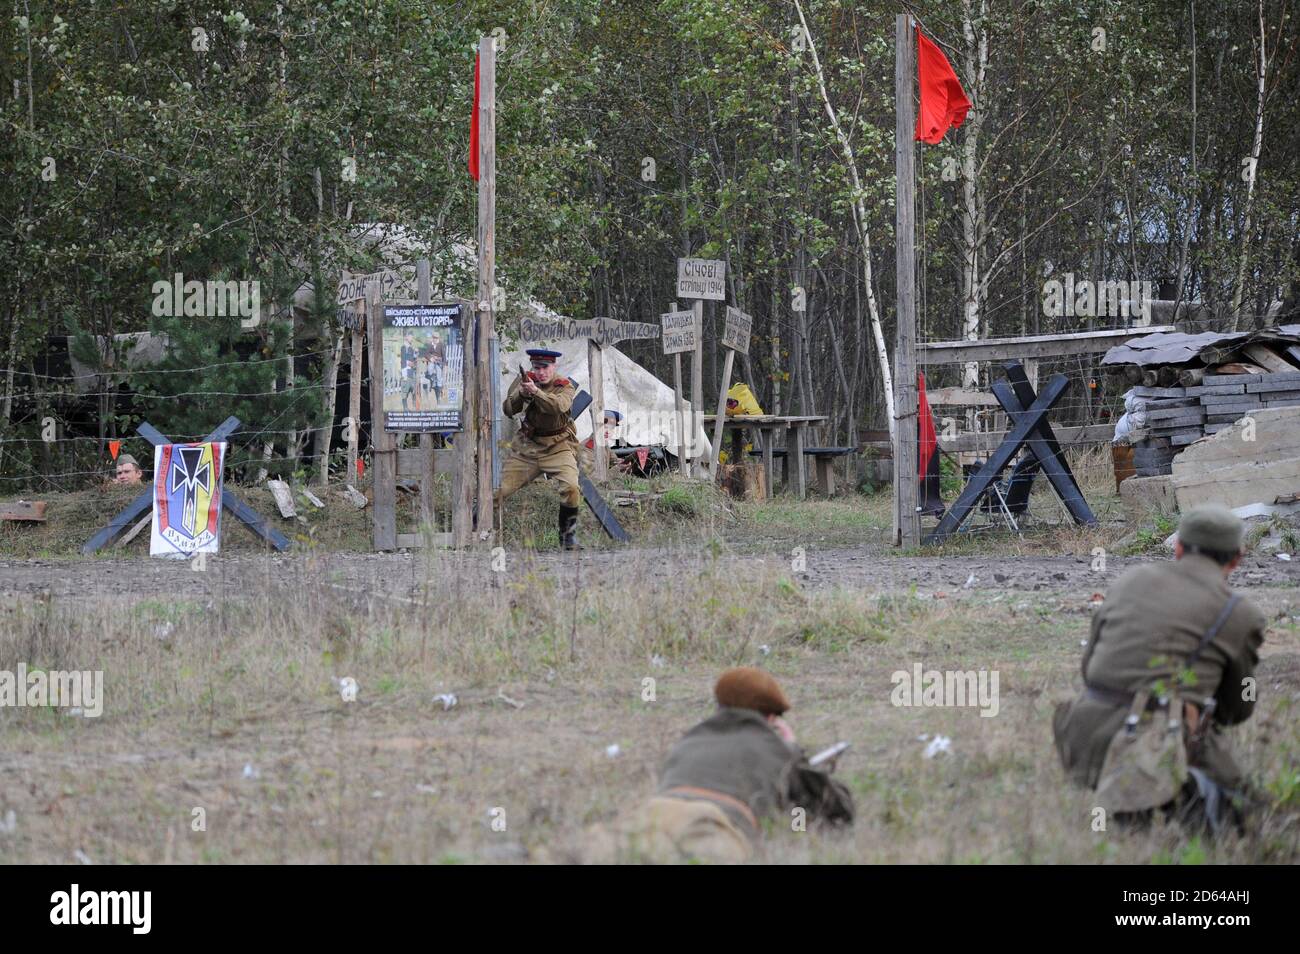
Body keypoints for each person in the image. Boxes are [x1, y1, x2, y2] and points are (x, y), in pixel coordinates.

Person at [1053, 505, 1267, 834]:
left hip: (1082, 737)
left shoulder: (1130, 579)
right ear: (1237, 559)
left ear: (1178, 547)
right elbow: (1236, 709)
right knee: (1247, 809)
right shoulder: (1240, 613)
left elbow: (1090, 667)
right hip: (1152, 746)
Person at [581, 667, 853, 863]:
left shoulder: (691, 739)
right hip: (711, 824)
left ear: (720, 706)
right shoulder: (776, 747)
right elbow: (837, 813)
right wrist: (794, 750)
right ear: (771, 716)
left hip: (649, 814)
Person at [497, 348, 583, 550]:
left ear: (554, 366)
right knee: (497, 490)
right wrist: (522, 393)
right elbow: (508, 409)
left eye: (545, 367)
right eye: (537, 367)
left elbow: (559, 407)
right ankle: (473, 531)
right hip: (528, 448)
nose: (541, 372)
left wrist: (536, 392)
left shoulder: (564, 385)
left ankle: (567, 537)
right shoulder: (525, 381)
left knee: (571, 487)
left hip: (558, 446)